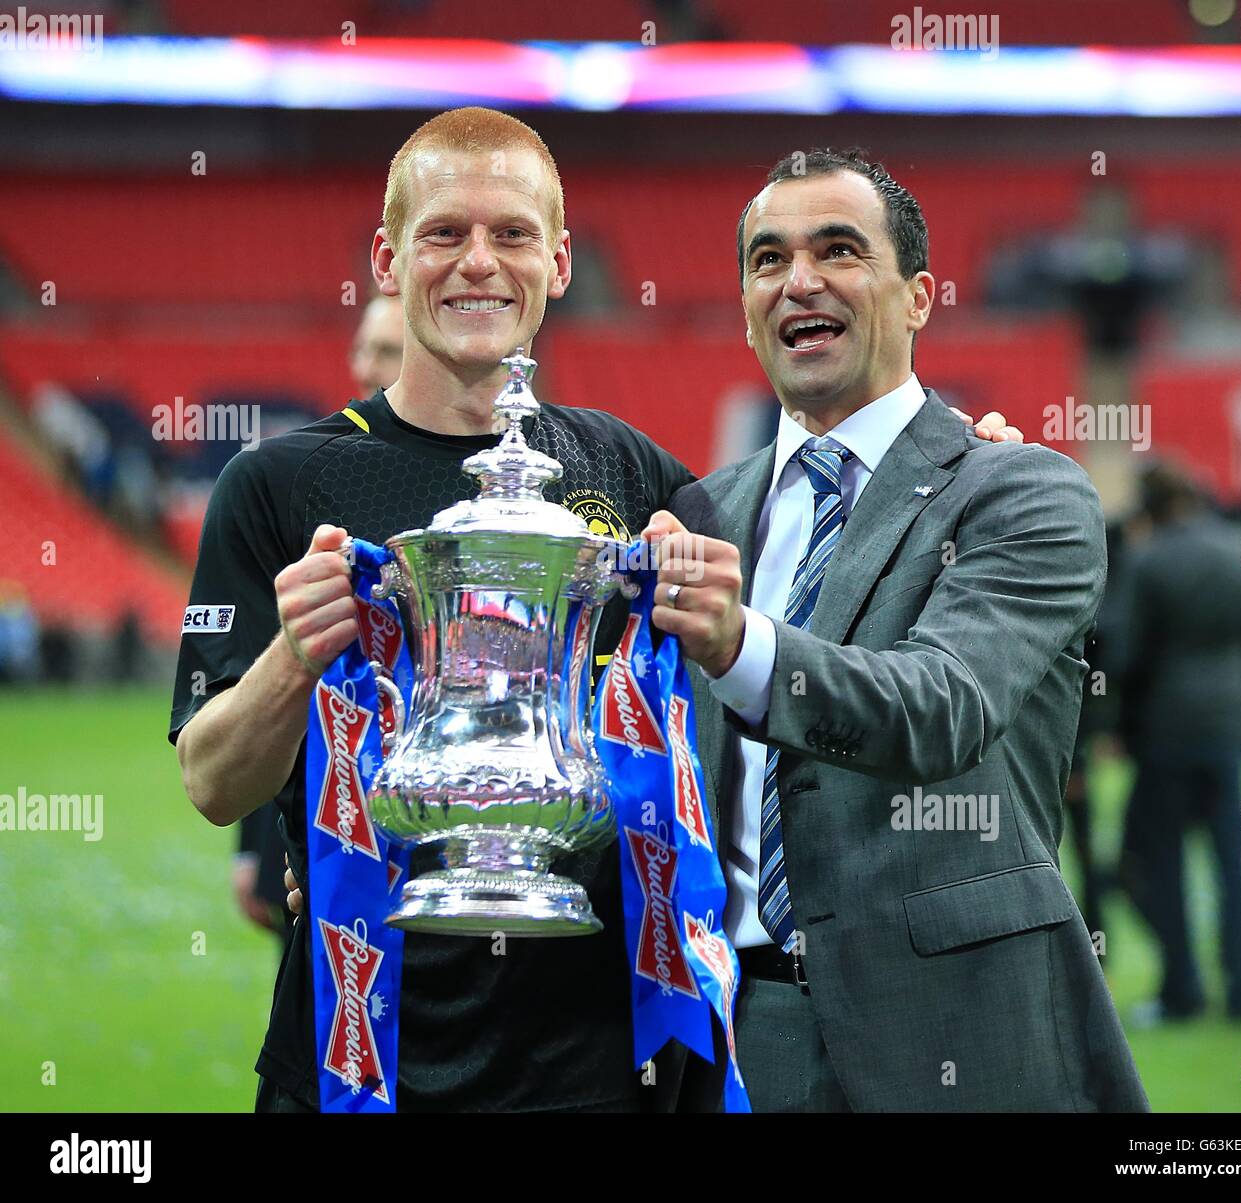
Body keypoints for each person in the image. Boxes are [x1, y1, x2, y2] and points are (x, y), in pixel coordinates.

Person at [175, 108, 1021, 1113]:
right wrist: (294, 657)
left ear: (560, 260)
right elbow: (213, 781)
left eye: (513, 234)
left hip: (606, 1052)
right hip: (363, 1047)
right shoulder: (278, 485)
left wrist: (957, 467)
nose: (478, 263)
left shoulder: (636, 470)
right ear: (389, 258)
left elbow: (819, 629)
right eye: (445, 233)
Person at [644, 149, 1148, 1112]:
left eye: (838, 250)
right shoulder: (704, 509)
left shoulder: (1018, 489)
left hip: (953, 1034)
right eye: (768, 258)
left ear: (918, 296)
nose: (799, 281)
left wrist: (739, 642)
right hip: (733, 1039)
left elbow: (943, 704)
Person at [234, 293, 406, 949]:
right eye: (363, 346)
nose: (366, 363)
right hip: (315, 835)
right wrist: (254, 844)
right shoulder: (308, 478)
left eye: (386, 349)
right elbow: (266, 678)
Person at [1114, 461, 1241, 1025]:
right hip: (1227, 724)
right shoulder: (1240, 548)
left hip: (1167, 730)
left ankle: (1182, 989)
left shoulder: (1149, 558)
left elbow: (1127, 651)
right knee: (1232, 865)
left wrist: (1118, 728)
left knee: (1157, 861)